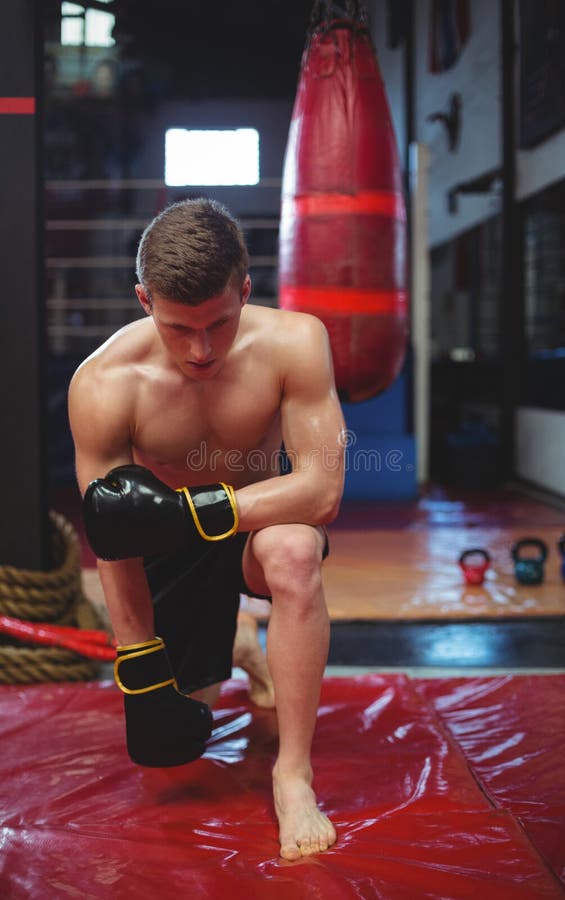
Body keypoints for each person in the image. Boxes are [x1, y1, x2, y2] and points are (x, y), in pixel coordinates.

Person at [68, 198, 346, 860]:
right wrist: (137, 663)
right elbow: (114, 537)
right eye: (178, 328)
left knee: (294, 552)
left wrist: (196, 512)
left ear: (244, 291)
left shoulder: (296, 342)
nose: (202, 349)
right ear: (144, 300)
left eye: (220, 323)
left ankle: (293, 776)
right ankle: (242, 644)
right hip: (162, 546)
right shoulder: (105, 383)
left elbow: (322, 490)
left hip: (259, 522)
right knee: (177, 739)